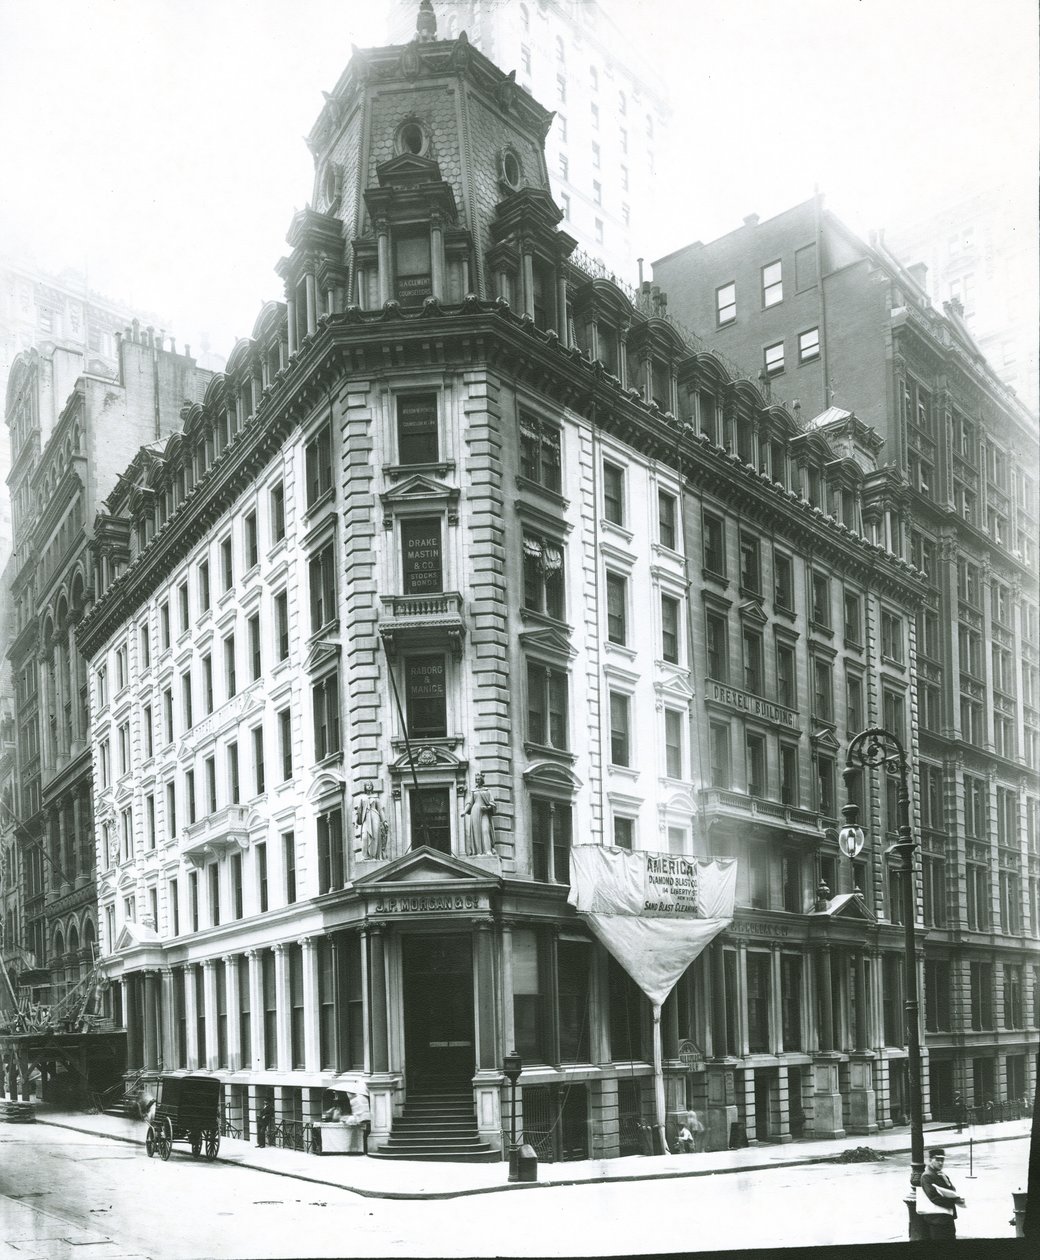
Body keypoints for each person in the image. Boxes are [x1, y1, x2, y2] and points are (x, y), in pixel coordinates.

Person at [919, 1146, 965, 1241]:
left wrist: (947, 1182)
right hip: (936, 1219)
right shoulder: (927, 1176)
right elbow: (934, 1198)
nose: (941, 1163)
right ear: (930, 1160)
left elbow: (952, 1191)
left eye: (942, 1160)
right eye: (937, 1160)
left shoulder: (941, 1174)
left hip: (947, 1217)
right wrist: (954, 1201)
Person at [462, 772, 496, 855]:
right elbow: (470, 803)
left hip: (484, 812)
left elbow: (492, 803)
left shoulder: (487, 791)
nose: (477, 781)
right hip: (475, 812)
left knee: (485, 830)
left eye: (478, 779)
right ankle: (478, 852)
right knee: (476, 832)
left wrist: (487, 808)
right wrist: (464, 811)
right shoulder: (473, 791)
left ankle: (488, 850)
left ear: (482, 780)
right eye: (476, 779)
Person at [356, 783, 388, 860]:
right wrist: (356, 821)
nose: (369, 786)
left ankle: (374, 856)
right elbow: (359, 811)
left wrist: (384, 821)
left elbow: (380, 810)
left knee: (375, 836)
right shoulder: (362, 798)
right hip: (366, 818)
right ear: (365, 787)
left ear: (372, 787)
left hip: (375, 816)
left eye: (370, 785)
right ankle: (366, 856)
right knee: (365, 837)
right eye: (367, 785)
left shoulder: (376, 797)